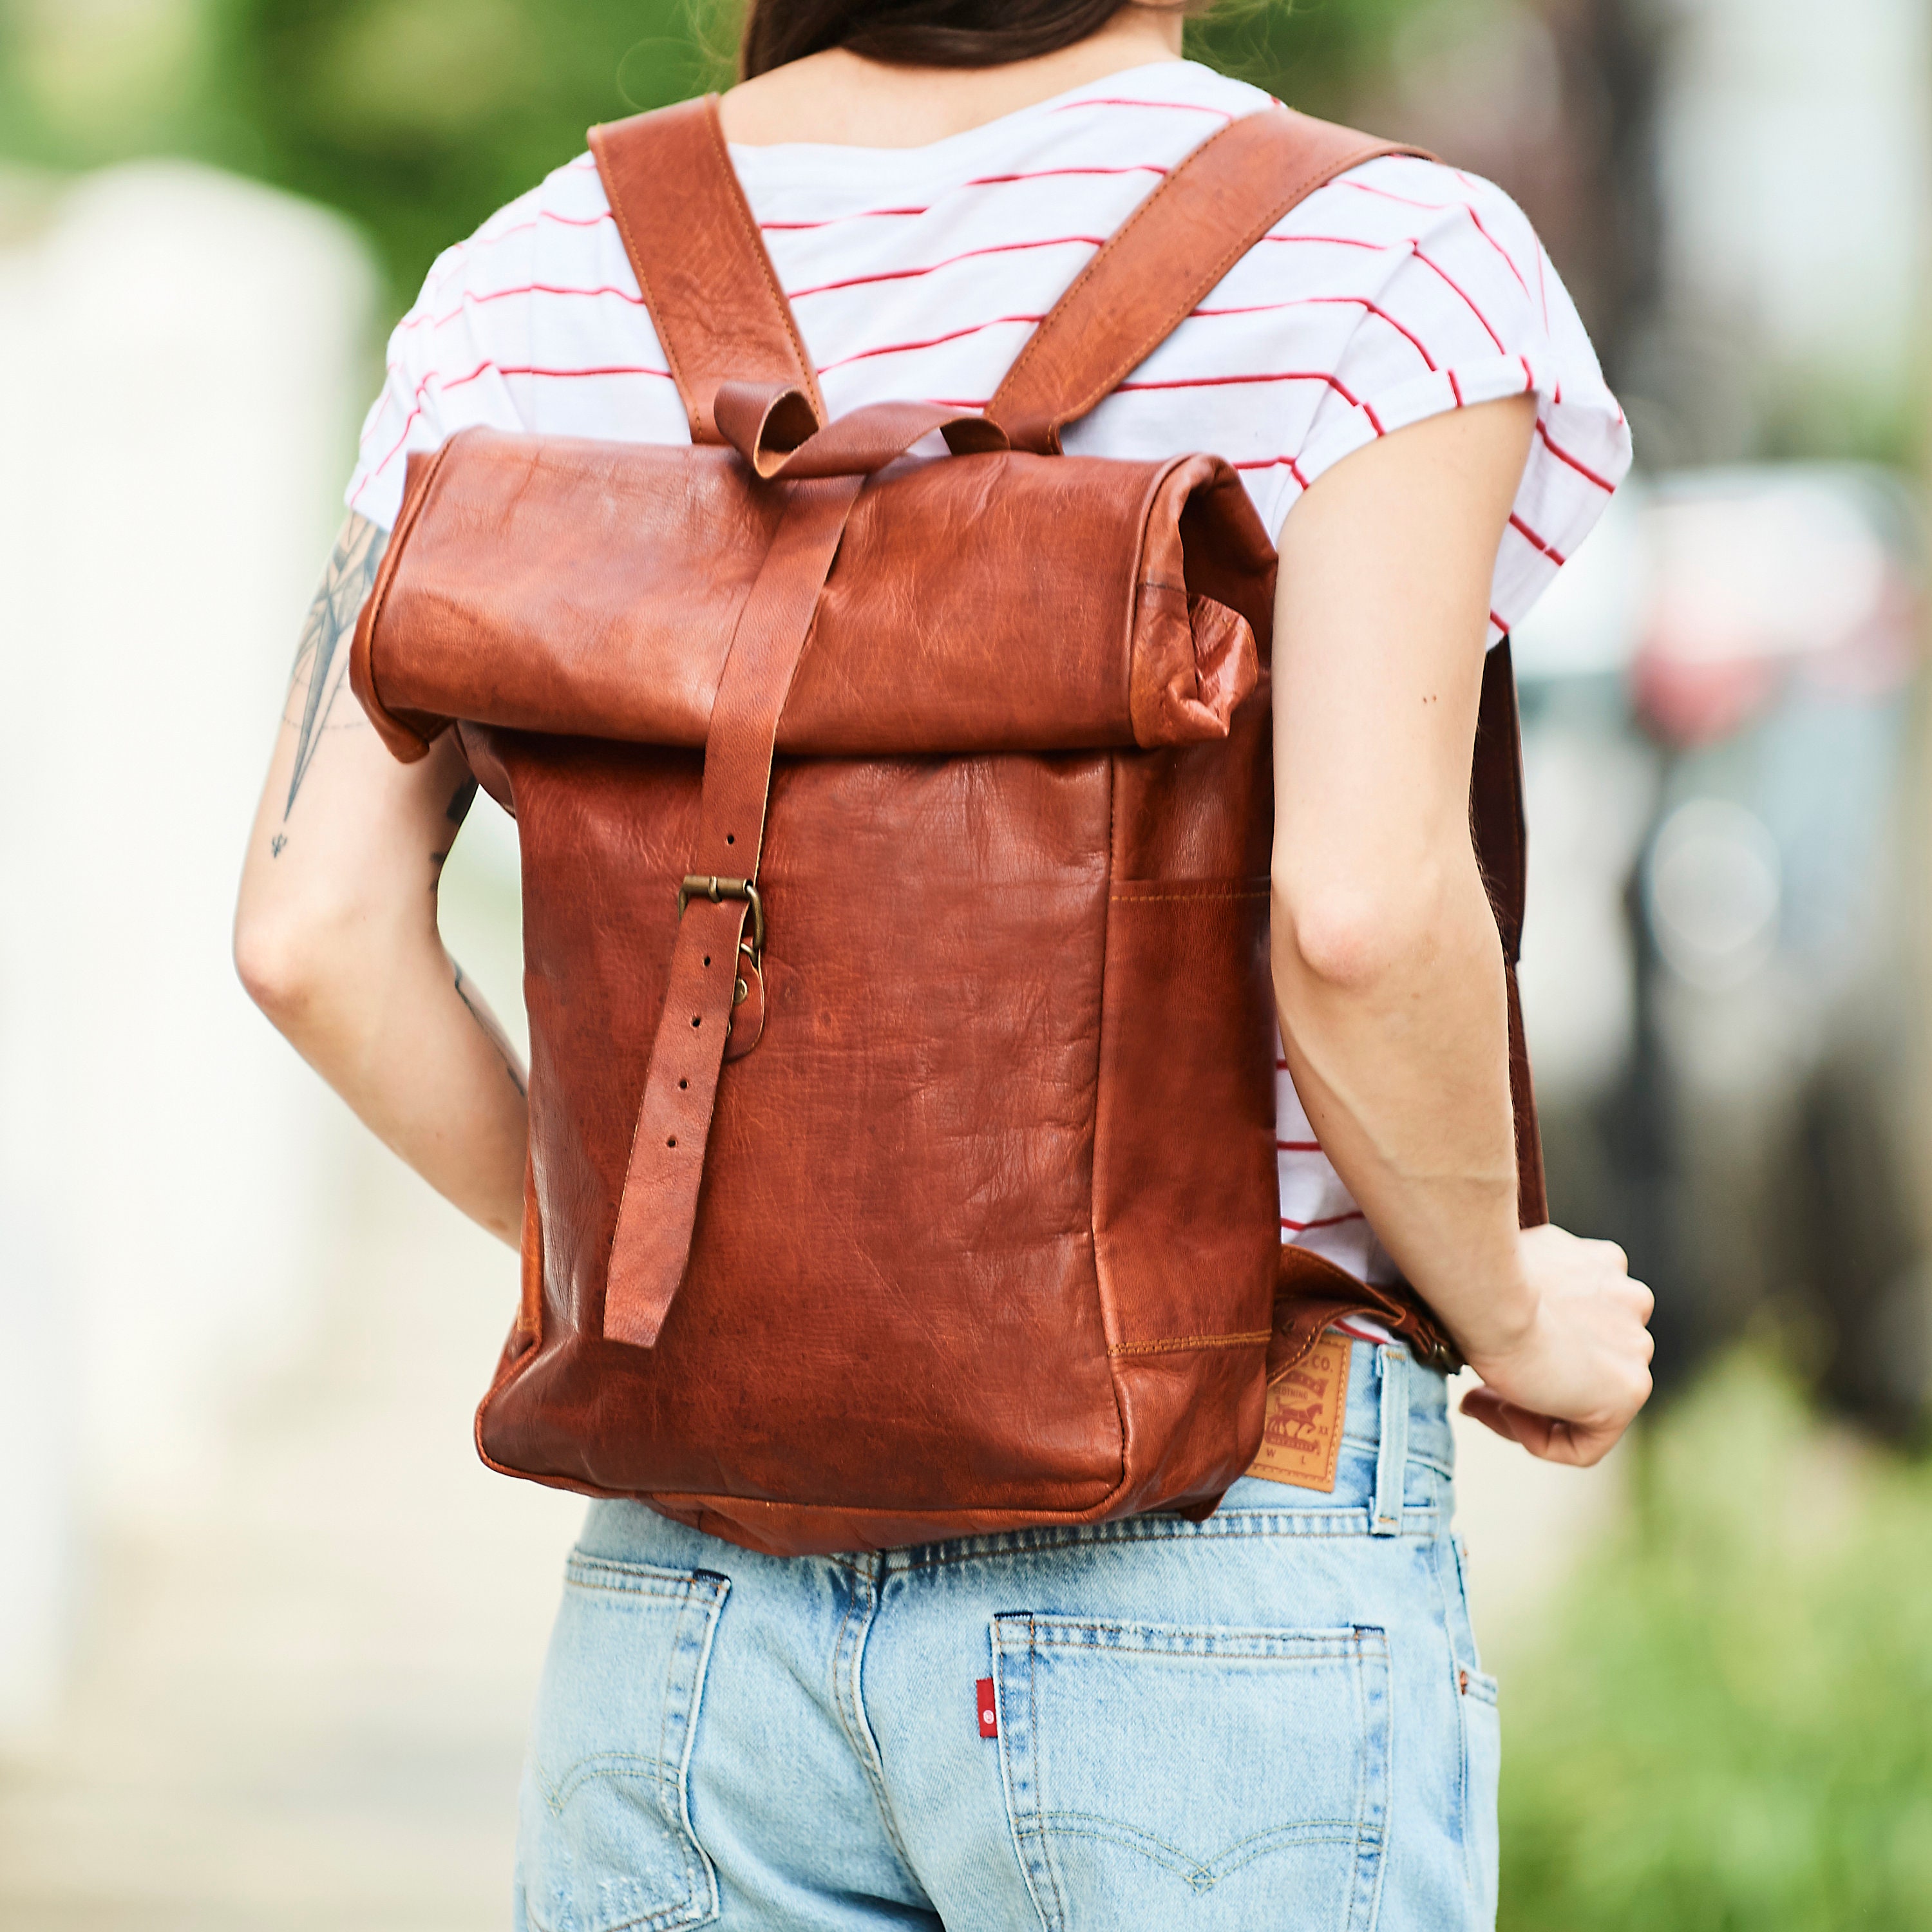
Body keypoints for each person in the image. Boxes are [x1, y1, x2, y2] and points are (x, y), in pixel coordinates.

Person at [235, 1, 1654, 1924]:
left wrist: (672, 1278)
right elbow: (1358, 916)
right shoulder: (1387, 261)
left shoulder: (522, 289)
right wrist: (1511, 1307)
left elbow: (311, 932)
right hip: (1210, 1541)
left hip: (692, 1600)